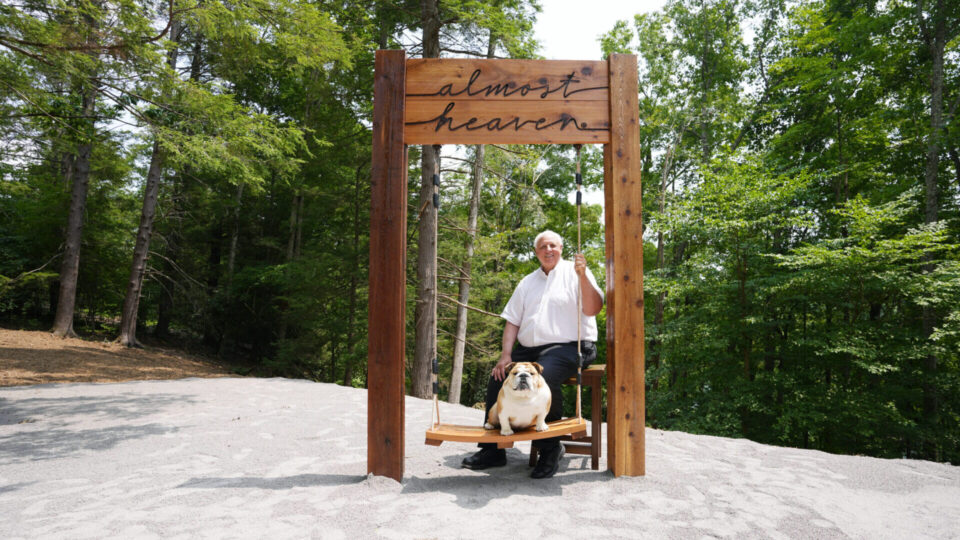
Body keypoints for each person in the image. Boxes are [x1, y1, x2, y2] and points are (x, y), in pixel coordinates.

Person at [461, 230, 604, 479]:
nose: (548, 250)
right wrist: (506, 355)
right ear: (536, 252)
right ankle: (493, 450)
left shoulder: (577, 272)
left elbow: (593, 309)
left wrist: (582, 276)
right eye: (542, 247)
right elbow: (512, 322)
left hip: (571, 346)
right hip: (530, 350)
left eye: (553, 245)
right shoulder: (527, 282)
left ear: (561, 248)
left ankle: (550, 448)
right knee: (499, 376)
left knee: (542, 377)